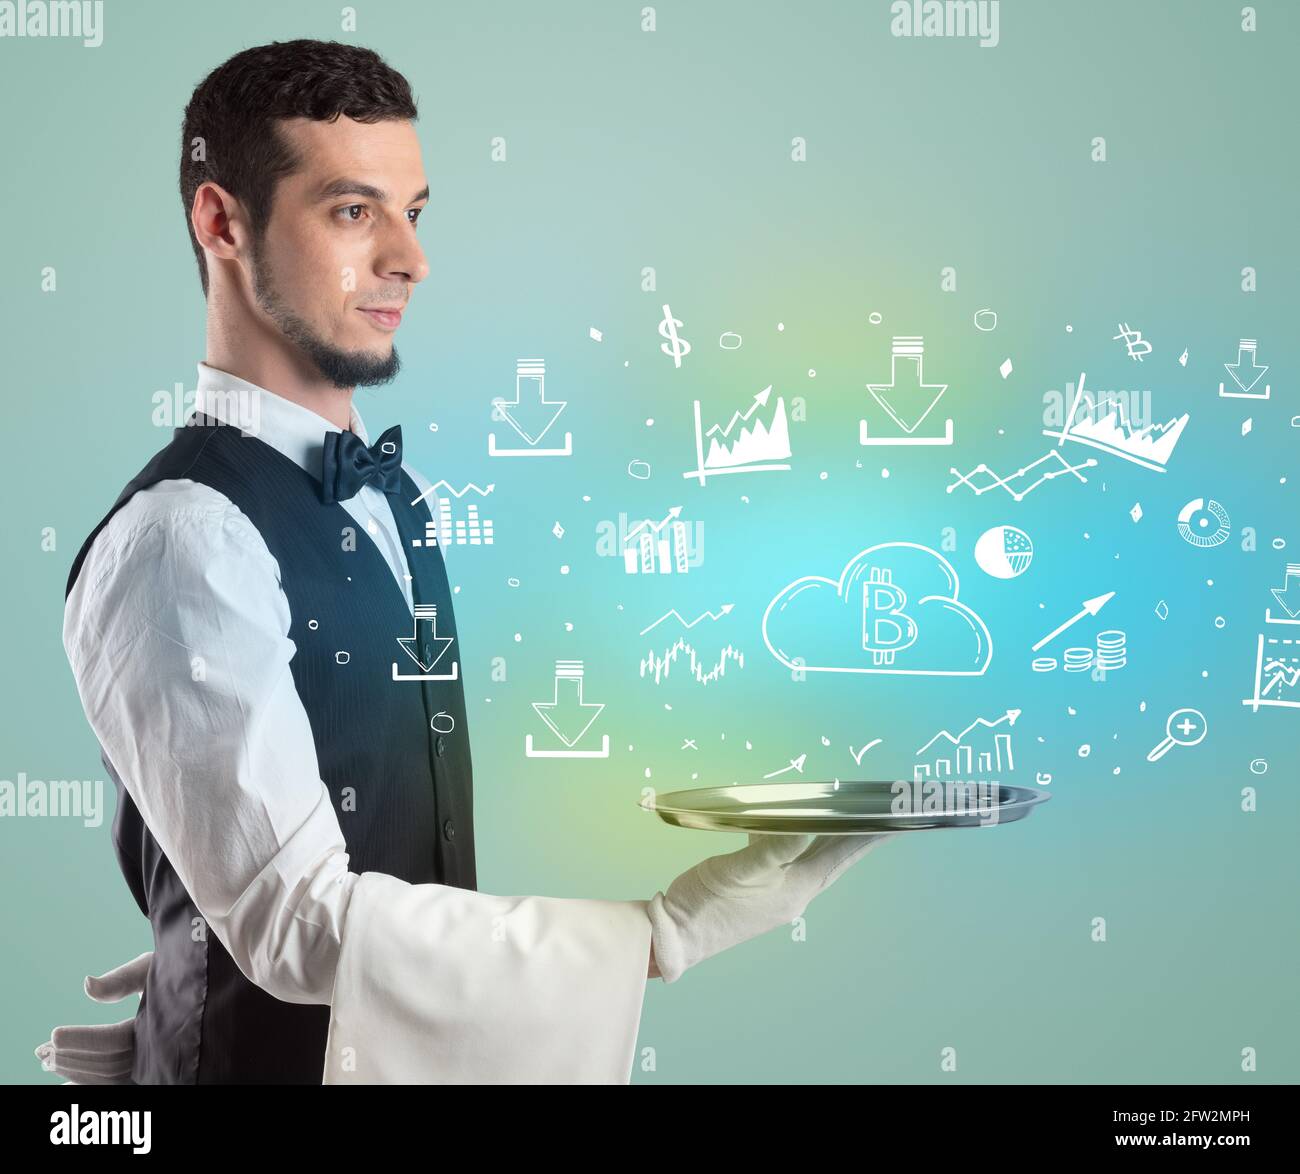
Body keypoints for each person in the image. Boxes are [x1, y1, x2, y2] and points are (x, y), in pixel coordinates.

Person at [43, 38, 894, 1085]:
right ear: (221, 222)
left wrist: (199, 944)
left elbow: (338, 849)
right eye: (354, 211)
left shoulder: (393, 497)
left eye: (415, 210)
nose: (410, 257)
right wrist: (667, 931)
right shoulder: (185, 535)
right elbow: (299, 927)